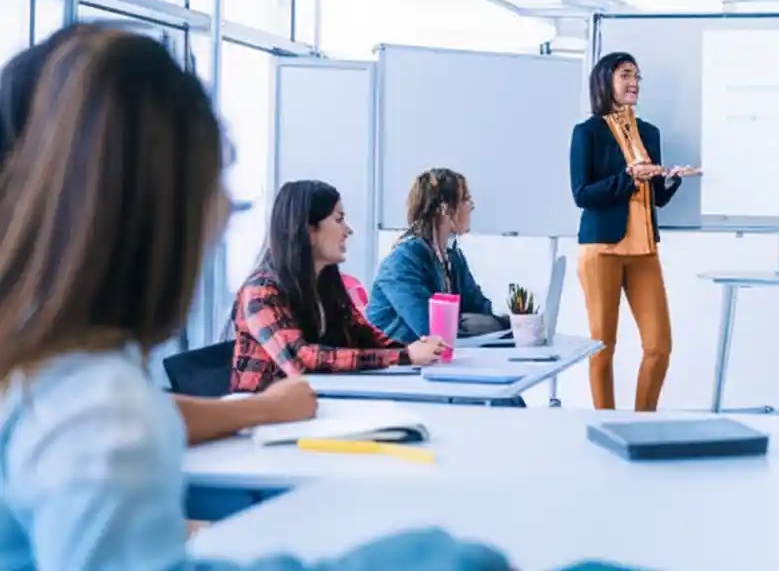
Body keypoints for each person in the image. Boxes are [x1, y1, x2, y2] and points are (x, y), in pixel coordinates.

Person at [0, 29, 510, 570]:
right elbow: (117, 423)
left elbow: (147, 414)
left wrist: (268, 408)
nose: (226, 211)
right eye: (218, 179)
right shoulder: (97, 405)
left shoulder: (55, 370)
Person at [0, 25, 317, 446]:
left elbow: (111, 413)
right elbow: (106, 419)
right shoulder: (91, 399)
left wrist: (263, 409)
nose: (224, 209)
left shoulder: (57, 354)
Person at [570, 51, 699, 411]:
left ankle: (642, 419)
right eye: (626, 75)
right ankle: (604, 420)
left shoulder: (650, 133)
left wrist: (670, 178)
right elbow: (582, 195)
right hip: (602, 249)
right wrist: (627, 178)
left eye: (638, 77)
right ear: (605, 81)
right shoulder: (588, 133)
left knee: (659, 346)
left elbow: (655, 198)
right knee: (602, 345)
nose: (634, 83)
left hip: (644, 251)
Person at [229, 181, 446, 393]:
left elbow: (364, 334)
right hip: (263, 417)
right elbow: (299, 360)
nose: (348, 230)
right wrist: (405, 355)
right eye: (339, 219)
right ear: (308, 229)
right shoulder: (260, 291)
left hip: (317, 403)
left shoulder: (325, 283)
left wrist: (419, 348)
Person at [366, 168, 508, 344]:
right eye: (465, 199)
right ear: (444, 209)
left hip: (431, 363)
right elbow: (432, 330)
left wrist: (511, 324)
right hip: (396, 365)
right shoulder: (402, 262)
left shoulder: (453, 259)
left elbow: (481, 309)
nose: (471, 206)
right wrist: (476, 323)